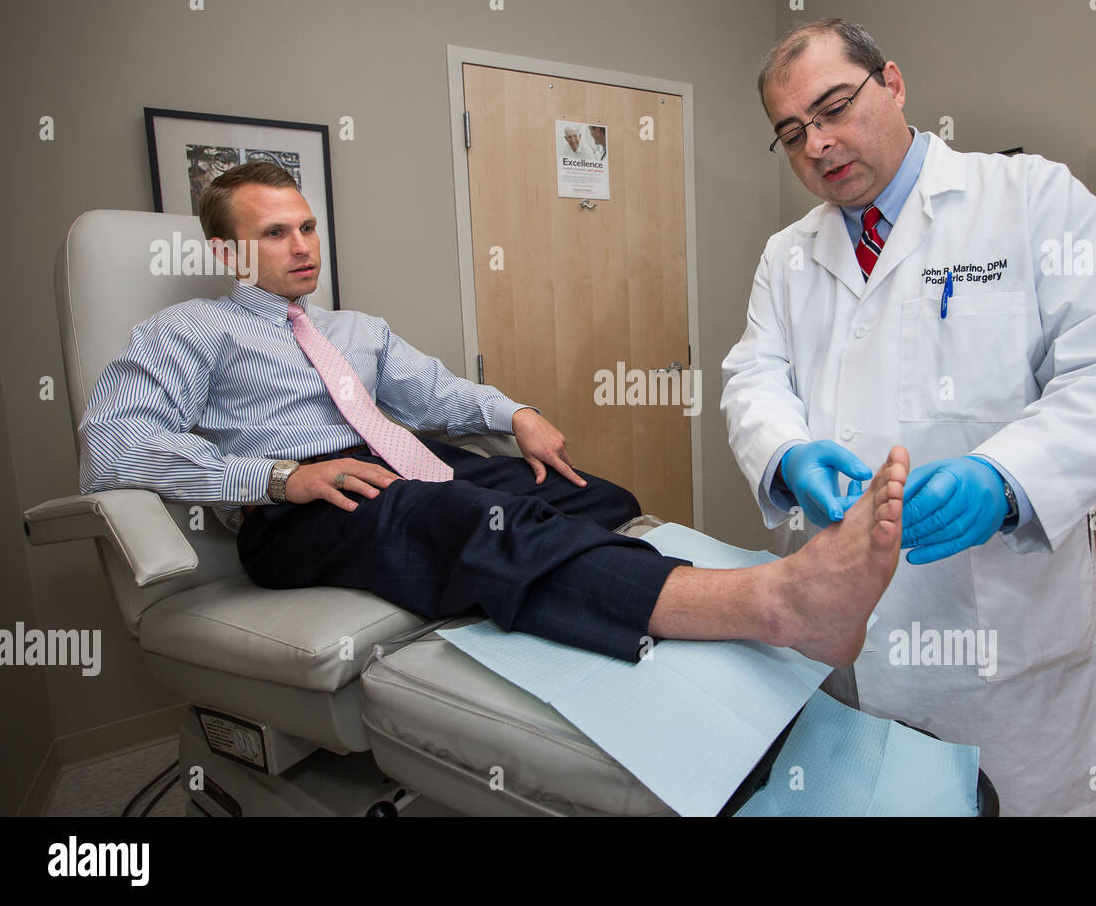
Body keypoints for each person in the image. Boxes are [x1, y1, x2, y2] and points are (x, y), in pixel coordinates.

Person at [79, 161, 910, 670]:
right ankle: (771, 604)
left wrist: (517, 414)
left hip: (406, 467)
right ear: (227, 254)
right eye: (273, 235)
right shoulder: (192, 330)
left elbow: (438, 393)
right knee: (478, 514)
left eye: (306, 226)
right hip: (298, 510)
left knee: (595, 493)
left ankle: (603, 580)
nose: (301, 246)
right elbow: (111, 444)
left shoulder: (352, 330)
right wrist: (279, 475)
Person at [721, 19, 1096, 815]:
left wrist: (1007, 479)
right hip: (849, 641)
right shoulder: (787, 256)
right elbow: (753, 375)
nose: (820, 143)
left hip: (1007, 663)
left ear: (894, 85)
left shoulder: (1028, 199)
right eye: (793, 133)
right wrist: (787, 451)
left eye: (835, 108)